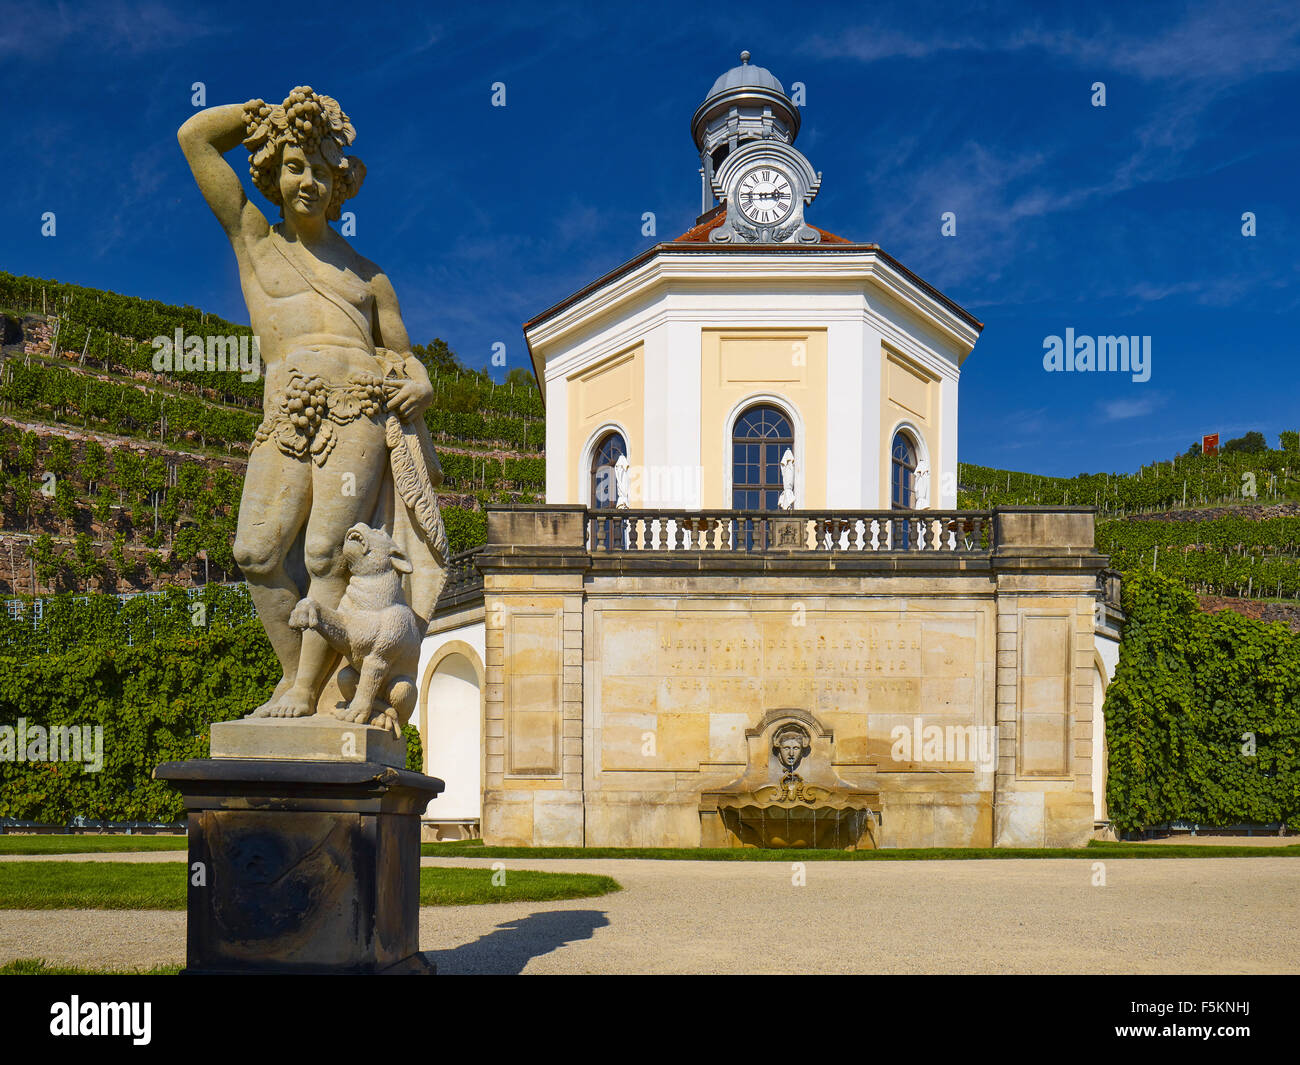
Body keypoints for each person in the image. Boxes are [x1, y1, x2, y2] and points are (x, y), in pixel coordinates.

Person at [178, 87, 446, 722]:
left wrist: (424, 383)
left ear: (339, 185)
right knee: (256, 554)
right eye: (296, 166)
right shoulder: (254, 241)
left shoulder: (369, 277)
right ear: (274, 171)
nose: (309, 182)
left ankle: (303, 693)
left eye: (323, 172)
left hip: (358, 408)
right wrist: (263, 119)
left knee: (327, 554)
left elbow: (404, 359)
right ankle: (297, 676)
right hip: (288, 412)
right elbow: (194, 138)